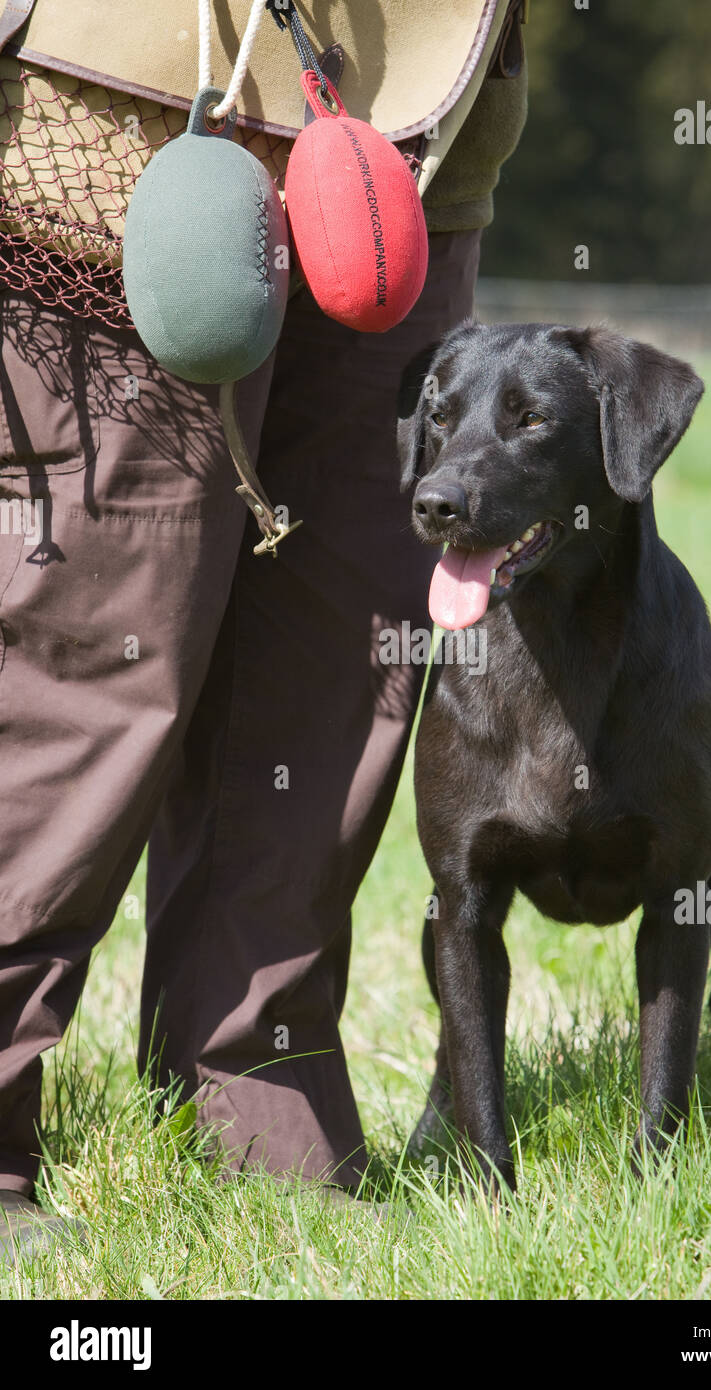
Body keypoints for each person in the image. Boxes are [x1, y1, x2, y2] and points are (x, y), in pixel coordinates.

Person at [0, 0, 528, 1259]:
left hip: (412, 107)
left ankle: (254, 1092)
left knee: (335, 655)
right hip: (119, 89)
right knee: (87, 638)